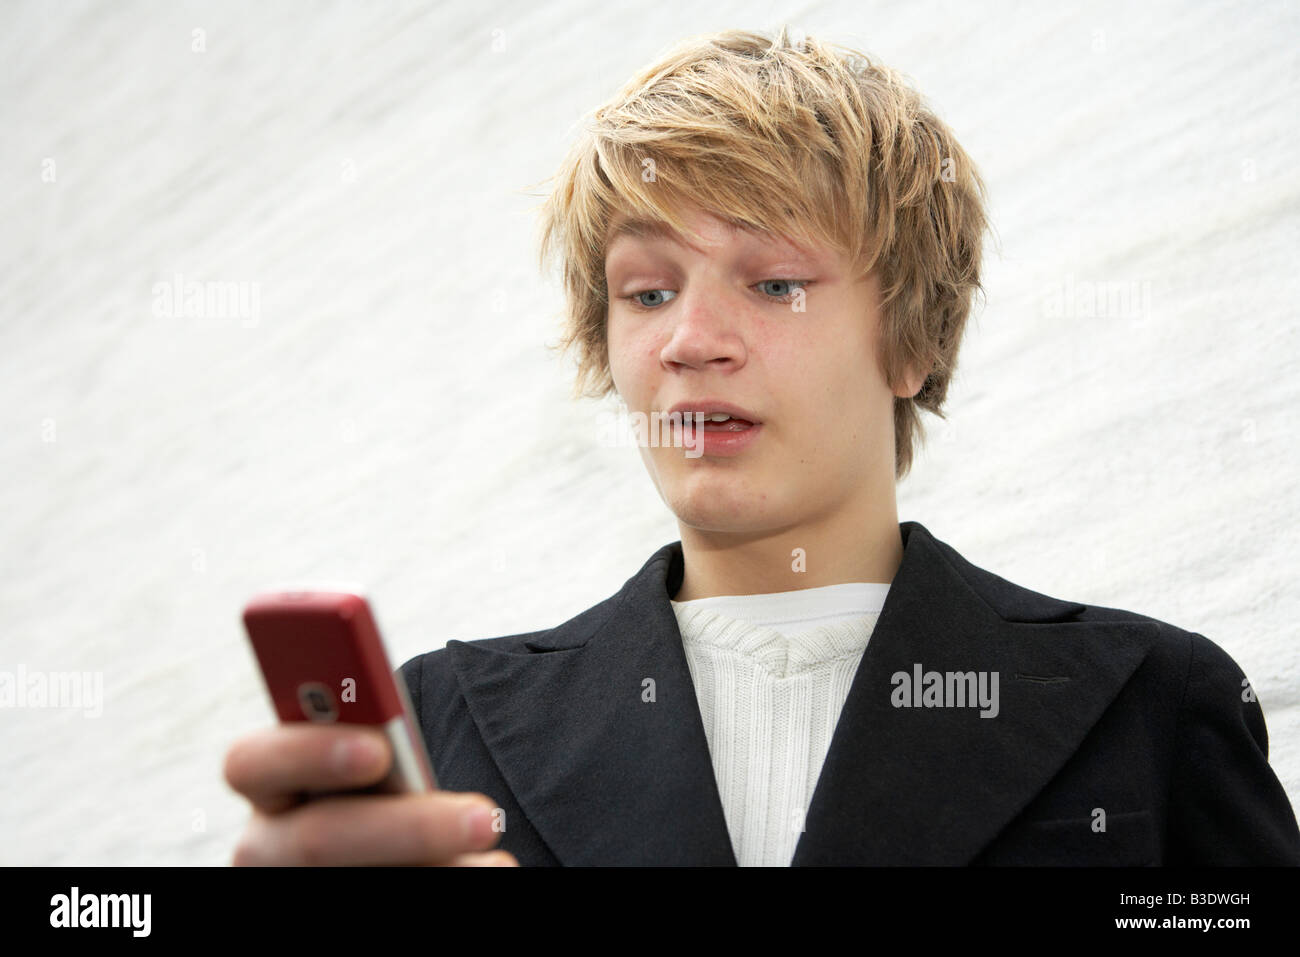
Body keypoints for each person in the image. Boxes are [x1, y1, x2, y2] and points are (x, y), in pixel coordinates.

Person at [224, 26, 1300, 866]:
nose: (689, 341)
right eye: (645, 292)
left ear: (910, 340)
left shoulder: (1154, 705)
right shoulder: (441, 729)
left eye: (775, 282)